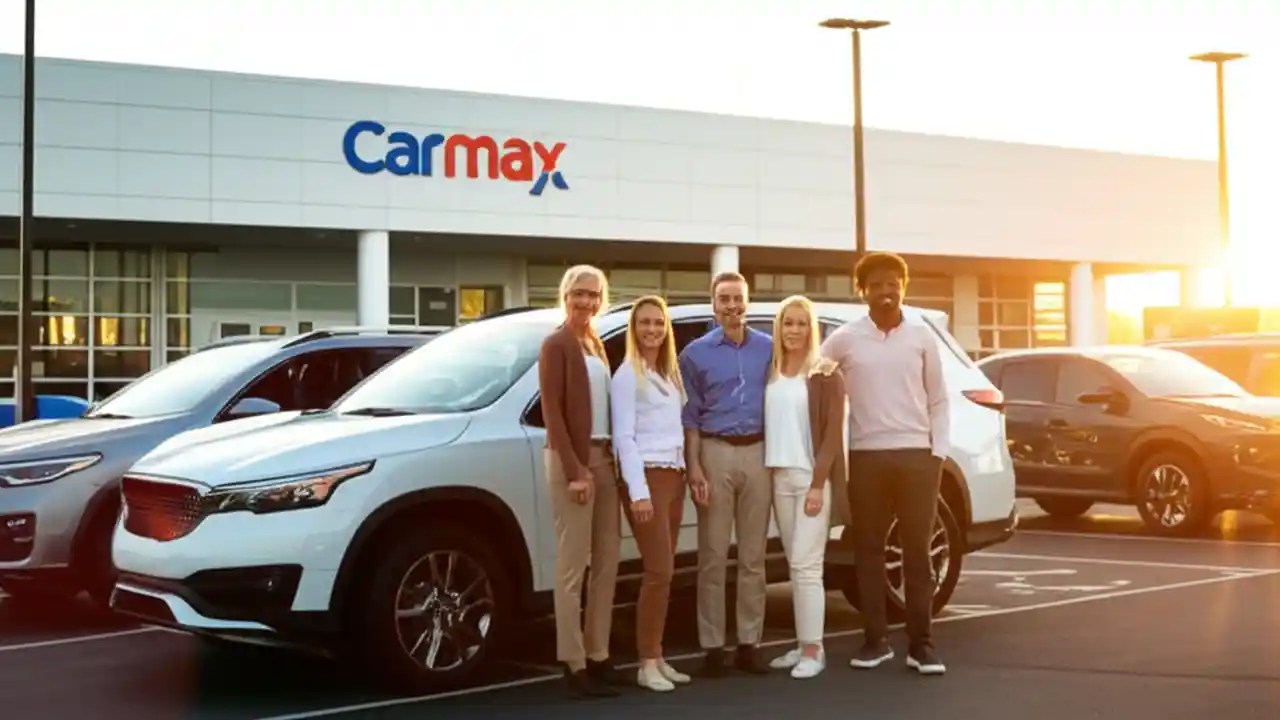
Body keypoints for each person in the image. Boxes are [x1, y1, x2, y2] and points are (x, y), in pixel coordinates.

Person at [820, 251, 950, 676]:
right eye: (876, 285)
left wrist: (937, 454)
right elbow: (814, 375)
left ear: (903, 287)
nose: (885, 292)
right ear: (863, 291)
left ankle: (922, 644)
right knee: (869, 554)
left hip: (917, 458)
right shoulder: (845, 338)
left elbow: (939, 398)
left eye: (892, 284)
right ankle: (875, 641)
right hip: (866, 457)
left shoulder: (922, 336)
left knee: (917, 554)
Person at [677, 270, 773, 677]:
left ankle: (749, 643)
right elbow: (691, 417)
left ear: (746, 302)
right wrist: (694, 466)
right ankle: (713, 646)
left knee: (754, 557)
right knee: (713, 556)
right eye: (724, 299)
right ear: (713, 305)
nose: (732, 306)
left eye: (738, 298)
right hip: (714, 453)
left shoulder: (769, 348)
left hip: (758, 452)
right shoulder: (694, 355)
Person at [538, 264, 625, 698]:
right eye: (579, 294)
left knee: (607, 562)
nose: (586, 302)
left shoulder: (595, 343)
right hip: (572, 460)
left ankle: (599, 654)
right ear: (566, 295)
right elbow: (551, 412)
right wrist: (575, 471)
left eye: (593, 295)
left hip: (604, 457)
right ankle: (573, 664)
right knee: (573, 567)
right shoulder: (556, 344)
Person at [609, 295, 693, 693]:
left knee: (666, 572)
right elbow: (623, 437)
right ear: (633, 327)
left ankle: (658, 656)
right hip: (648, 479)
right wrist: (638, 492)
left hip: (673, 477)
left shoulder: (665, 373)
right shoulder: (628, 375)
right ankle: (646, 662)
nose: (652, 330)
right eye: (644, 322)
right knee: (658, 573)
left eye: (658, 323)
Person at [763, 295, 848, 680]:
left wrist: (818, 485)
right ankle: (801, 644)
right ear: (778, 328)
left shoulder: (826, 374)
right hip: (779, 478)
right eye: (787, 323)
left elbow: (832, 436)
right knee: (795, 565)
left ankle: (815, 649)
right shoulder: (771, 371)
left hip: (812, 480)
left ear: (810, 329)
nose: (794, 330)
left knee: (806, 564)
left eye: (801, 323)